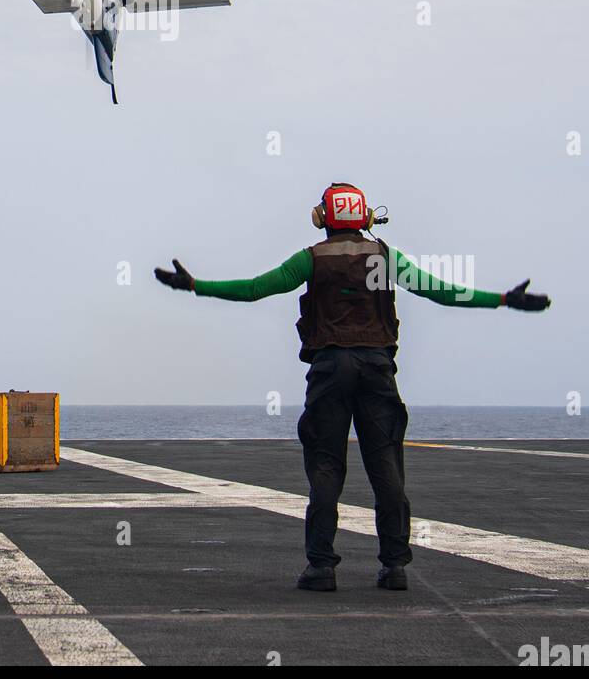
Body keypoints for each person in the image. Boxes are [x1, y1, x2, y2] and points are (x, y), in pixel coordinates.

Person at [153, 181, 550, 593]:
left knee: (326, 467)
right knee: (387, 468)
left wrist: (197, 286)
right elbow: (445, 293)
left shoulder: (311, 260)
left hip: (329, 370)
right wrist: (504, 299)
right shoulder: (384, 258)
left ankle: (321, 568)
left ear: (322, 218)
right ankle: (394, 566)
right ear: (365, 217)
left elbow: (254, 289)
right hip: (377, 368)